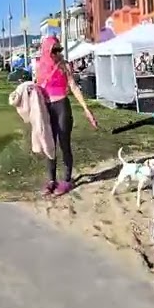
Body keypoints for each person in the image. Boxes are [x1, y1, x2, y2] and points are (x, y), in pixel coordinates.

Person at [34, 35, 99, 196]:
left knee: (64, 143)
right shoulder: (39, 66)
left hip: (62, 106)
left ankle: (67, 179)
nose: (57, 53)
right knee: (50, 145)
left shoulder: (64, 66)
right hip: (47, 108)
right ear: (46, 51)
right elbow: (36, 88)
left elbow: (74, 88)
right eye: (53, 50)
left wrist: (86, 109)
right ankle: (51, 180)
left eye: (59, 50)